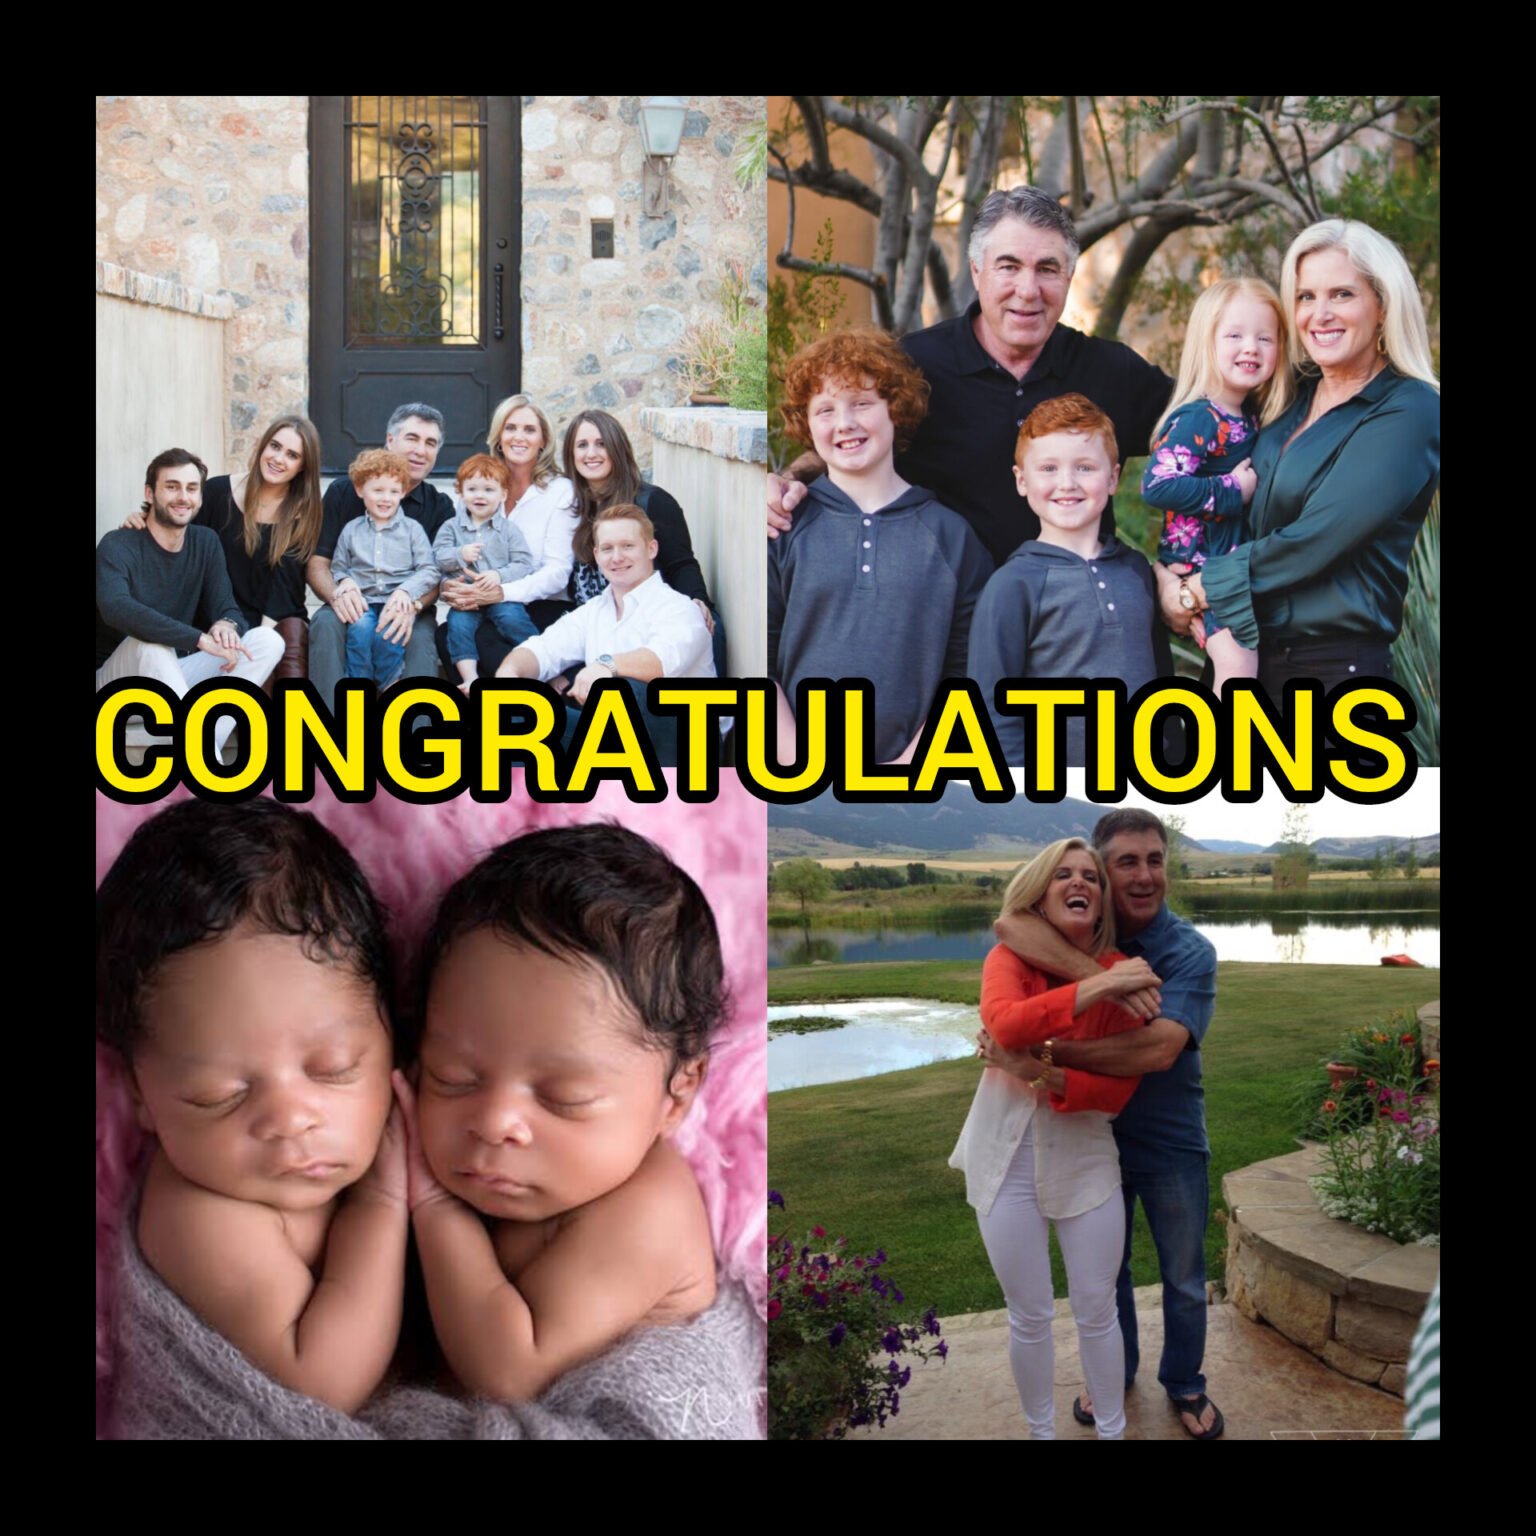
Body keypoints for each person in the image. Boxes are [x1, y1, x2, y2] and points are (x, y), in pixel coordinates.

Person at [391, 824, 723, 1401]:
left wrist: (435, 1205)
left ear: (678, 1093)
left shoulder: (648, 1208)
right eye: (452, 1078)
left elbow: (511, 1371)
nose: (495, 1121)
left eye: (562, 1098)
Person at [96, 799, 405, 1415]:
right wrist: (382, 1205)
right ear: (141, 1096)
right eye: (221, 1095)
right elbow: (320, 1382)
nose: (290, 1119)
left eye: (334, 1067)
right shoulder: (198, 1212)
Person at [769, 186, 1174, 567]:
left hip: (1077, 618)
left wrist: (1179, 571)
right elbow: (849, 440)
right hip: (942, 624)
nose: (1028, 289)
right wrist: (787, 483)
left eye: (1047, 268)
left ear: (1069, 276)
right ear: (977, 271)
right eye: (1008, 266)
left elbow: (1213, 431)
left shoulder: (1111, 371)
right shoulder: (912, 365)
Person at [994, 808, 1222, 1439]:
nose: (1145, 875)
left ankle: (1185, 1384)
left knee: (1182, 1274)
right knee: (1104, 1274)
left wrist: (1047, 1052)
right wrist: (1108, 980)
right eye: (1126, 862)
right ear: (1102, 871)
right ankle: (1112, 1377)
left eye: (1155, 860)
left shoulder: (1190, 953)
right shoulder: (1084, 935)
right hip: (1092, 1135)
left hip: (1170, 1137)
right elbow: (1009, 921)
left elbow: (1156, 1050)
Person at [1168, 220, 1441, 696]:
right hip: (1242, 655)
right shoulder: (1285, 397)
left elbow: (1318, 538)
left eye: (1341, 294)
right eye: (1305, 297)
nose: (1320, 314)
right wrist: (1165, 575)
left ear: (1382, 307)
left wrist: (1200, 589)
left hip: (1333, 675)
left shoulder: (1411, 408)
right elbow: (1208, 456)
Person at [951, 838, 1157, 1440]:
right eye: (1063, 874)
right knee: (1030, 1316)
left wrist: (1031, 1068)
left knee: (1098, 1313)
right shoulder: (1010, 959)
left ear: (1101, 899)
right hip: (1003, 1162)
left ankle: (1112, 1431)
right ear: (1040, 894)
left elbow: (1115, 1090)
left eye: (1091, 876)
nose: (1079, 883)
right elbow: (1005, 1024)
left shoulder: (1128, 971)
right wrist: (1095, 986)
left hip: (1087, 1161)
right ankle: (1042, 1432)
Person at [769, 327, 991, 763]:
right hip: (794, 770)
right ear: (806, 422)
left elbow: (966, 672)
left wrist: (913, 763)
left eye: (862, 404)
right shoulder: (784, 526)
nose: (845, 423)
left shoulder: (951, 536)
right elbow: (758, 658)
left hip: (913, 770)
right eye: (825, 409)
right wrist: (800, 762)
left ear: (896, 409)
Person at [968, 394, 1173, 766]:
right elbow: (992, 711)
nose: (1067, 483)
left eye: (1084, 468)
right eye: (1048, 468)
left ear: (1113, 478)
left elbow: (1163, 685)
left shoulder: (1135, 569)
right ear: (1022, 480)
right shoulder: (1013, 585)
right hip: (1060, 787)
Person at [1143, 279, 1291, 695]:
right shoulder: (1200, 417)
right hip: (1198, 563)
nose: (1251, 347)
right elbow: (1157, 485)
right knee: (1238, 662)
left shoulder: (1250, 414)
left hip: (1225, 563)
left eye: (1265, 337)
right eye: (1235, 335)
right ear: (1206, 342)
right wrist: (1232, 490)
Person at [96, 447, 284, 758]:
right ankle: (209, 766)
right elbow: (116, 607)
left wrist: (227, 623)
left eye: (191, 488)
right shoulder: (118, 544)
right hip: (118, 684)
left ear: (199, 496)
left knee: (266, 639)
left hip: (171, 678)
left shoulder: (205, 542)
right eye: (172, 486)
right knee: (151, 646)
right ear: (150, 492)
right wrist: (197, 638)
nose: (183, 496)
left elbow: (228, 607)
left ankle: (207, 745)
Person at [496, 505, 713, 764]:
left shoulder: (679, 608)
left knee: (622, 690)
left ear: (651, 549)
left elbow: (660, 662)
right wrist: (508, 678)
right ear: (597, 555)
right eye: (608, 549)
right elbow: (541, 650)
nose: (617, 557)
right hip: (610, 742)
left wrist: (606, 665)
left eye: (628, 546)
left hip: (683, 747)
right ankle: (515, 801)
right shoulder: (594, 611)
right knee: (518, 717)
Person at [119, 417, 325, 683]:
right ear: (262, 446)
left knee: (270, 643)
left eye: (292, 455)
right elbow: (176, 527)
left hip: (269, 622)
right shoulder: (217, 492)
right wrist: (141, 519)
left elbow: (282, 596)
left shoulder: (304, 514)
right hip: (212, 618)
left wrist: (252, 650)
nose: (278, 458)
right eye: (274, 446)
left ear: (302, 467)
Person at [308, 405, 454, 699]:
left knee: (421, 634)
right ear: (390, 440)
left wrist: (411, 604)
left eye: (430, 443)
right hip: (355, 597)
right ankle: (328, 729)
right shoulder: (344, 492)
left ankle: (415, 733)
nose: (420, 450)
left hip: (407, 602)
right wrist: (339, 594)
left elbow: (436, 575)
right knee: (325, 623)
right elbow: (319, 562)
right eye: (412, 438)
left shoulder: (440, 507)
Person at [441, 393, 580, 675]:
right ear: (498, 437)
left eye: (529, 430)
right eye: (510, 428)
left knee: (491, 645)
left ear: (543, 440)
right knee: (448, 635)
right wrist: (452, 588)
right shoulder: (477, 488)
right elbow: (457, 552)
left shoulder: (560, 492)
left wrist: (501, 592)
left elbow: (557, 572)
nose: (519, 437)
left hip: (542, 605)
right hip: (483, 603)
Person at [329, 450, 440, 687]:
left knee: (390, 632)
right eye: (378, 490)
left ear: (402, 492)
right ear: (360, 490)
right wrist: (345, 581)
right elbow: (339, 566)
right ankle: (358, 684)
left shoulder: (412, 530)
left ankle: (390, 682)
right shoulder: (351, 530)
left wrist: (406, 592)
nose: (386, 498)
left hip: (397, 600)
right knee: (359, 629)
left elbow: (429, 570)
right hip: (364, 599)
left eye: (393, 491)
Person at [434, 454, 536, 694]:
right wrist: (459, 554)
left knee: (513, 619)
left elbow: (523, 563)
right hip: (465, 599)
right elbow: (438, 556)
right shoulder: (451, 528)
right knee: (457, 626)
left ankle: (540, 660)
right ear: (460, 492)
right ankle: (470, 678)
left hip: (499, 595)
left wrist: (499, 576)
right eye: (472, 489)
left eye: (489, 489)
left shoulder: (509, 530)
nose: (480, 496)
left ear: (502, 494)